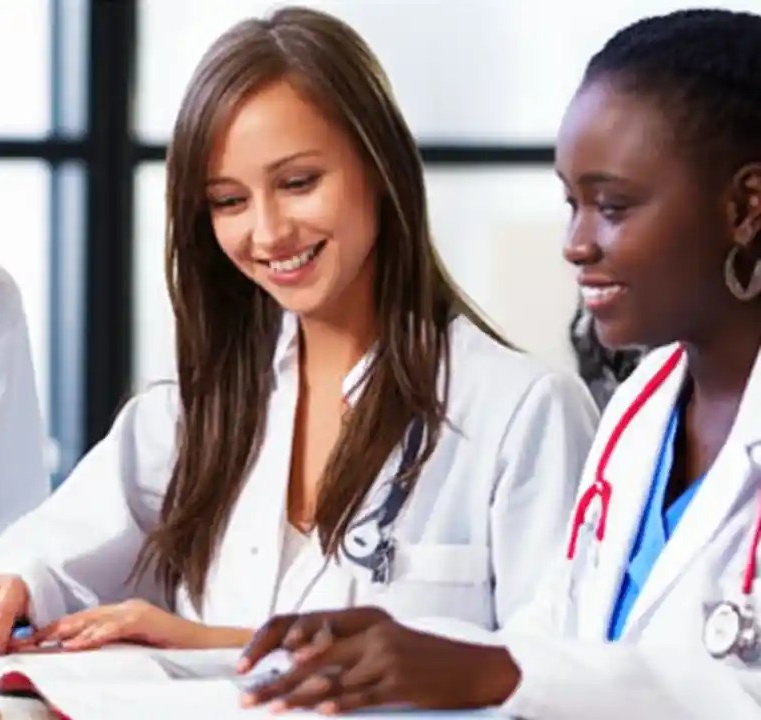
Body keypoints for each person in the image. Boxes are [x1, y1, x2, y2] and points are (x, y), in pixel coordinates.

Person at [0, 6, 598, 663]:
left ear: (380, 166)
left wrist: (218, 645)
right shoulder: (191, 416)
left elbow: (553, 678)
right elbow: (49, 555)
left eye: (299, 183)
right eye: (229, 201)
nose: (269, 232)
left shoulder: (522, 412)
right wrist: (4, 588)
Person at [236, 9, 761, 719]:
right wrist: (398, 652)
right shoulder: (640, 415)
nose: (576, 243)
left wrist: (492, 674)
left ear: (746, 206)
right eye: (571, 202)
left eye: (612, 206)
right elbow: (553, 646)